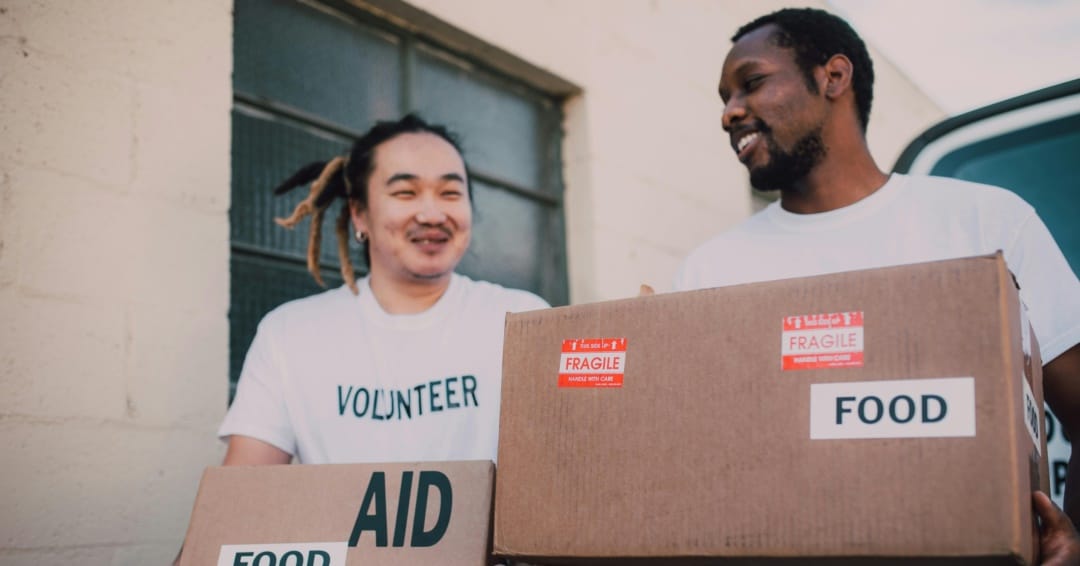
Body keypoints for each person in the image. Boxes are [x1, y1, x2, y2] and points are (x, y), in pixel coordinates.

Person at [672, 6, 1080, 556]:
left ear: (833, 77)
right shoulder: (708, 270)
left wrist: (1070, 541)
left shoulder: (985, 221)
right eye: (724, 98)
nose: (730, 113)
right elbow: (689, 460)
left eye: (751, 83)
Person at [220, 114, 549, 465]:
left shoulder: (525, 321)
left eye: (450, 192)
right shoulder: (289, 334)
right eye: (405, 192)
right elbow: (244, 496)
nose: (432, 214)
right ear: (359, 214)